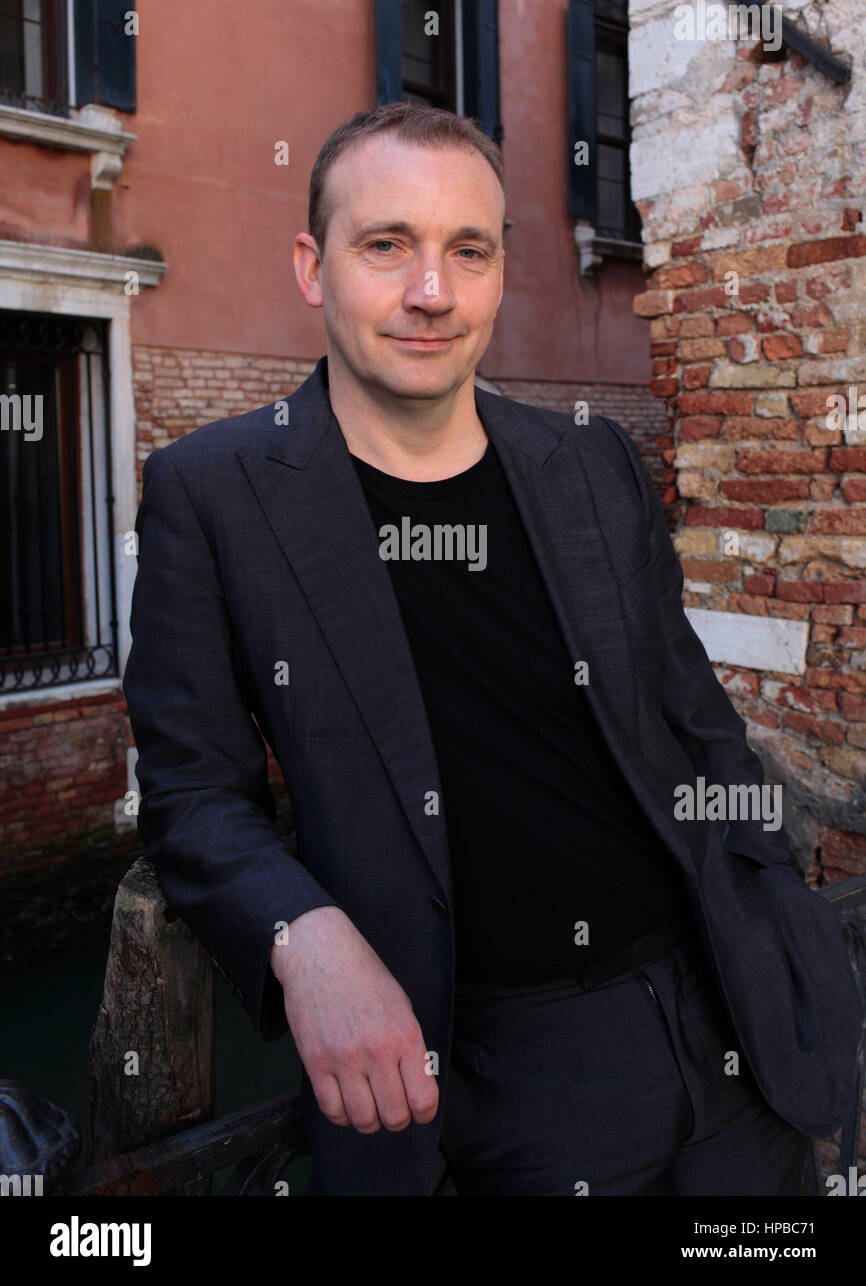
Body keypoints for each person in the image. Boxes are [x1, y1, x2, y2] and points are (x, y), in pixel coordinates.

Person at [122, 101, 863, 1196]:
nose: (432, 291)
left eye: (466, 250)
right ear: (311, 266)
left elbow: (691, 716)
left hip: (727, 1018)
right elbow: (190, 789)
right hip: (493, 1082)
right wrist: (302, 931)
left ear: (498, 269)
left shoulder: (589, 462)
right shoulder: (212, 493)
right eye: (387, 246)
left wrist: (767, 899)